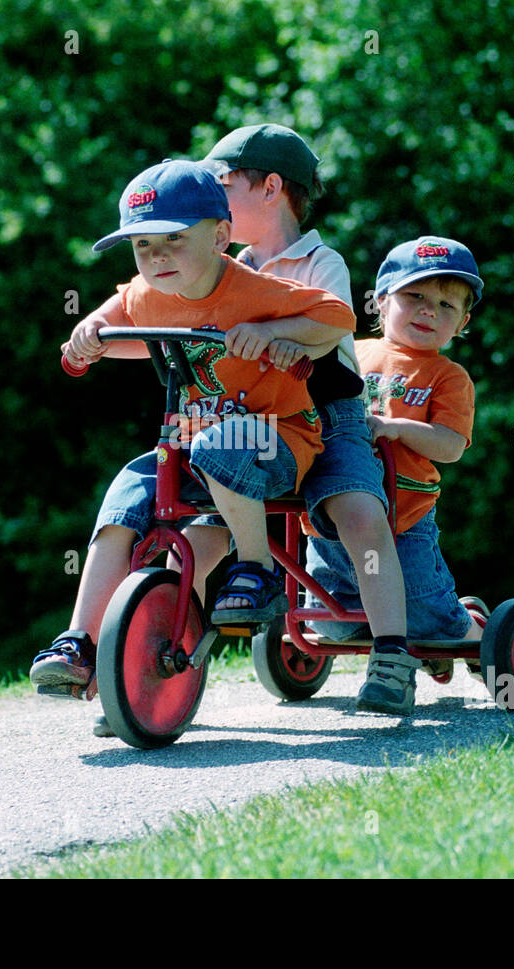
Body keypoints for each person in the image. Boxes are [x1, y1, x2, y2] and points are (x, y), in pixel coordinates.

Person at [29, 158, 355, 701]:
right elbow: (116, 314)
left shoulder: (256, 290)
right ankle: (84, 644)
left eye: (174, 239)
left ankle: (257, 570)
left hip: (277, 438)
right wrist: (90, 332)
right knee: (126, 496)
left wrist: (271, 332)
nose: (156, 257)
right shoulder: (149, 292)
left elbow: (339, 318)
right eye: (142, 245)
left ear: (221, 237)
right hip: (192, 443)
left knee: (215, 445)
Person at [187, 123, 412, 702]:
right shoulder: (222, 266)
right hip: (254, 419)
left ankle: (392, 654)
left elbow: (329, 322)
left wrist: (283, 338)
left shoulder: (319, 261)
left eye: (222, 184)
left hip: (328, 417)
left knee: (360, 514)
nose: (211, 199)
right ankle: (158, 657)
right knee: (197, 533)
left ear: (270, 188)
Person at [304, 236, 485, 715]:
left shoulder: (447, 376)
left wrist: (396, 428)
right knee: (331, 621)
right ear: (381, 301)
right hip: (335, 512)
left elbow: (450, 446)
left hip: (405, 518)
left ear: (462, 323)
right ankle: (401, 634)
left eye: (446, 305)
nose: (428, 311)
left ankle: (470, 628)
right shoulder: (349, 353)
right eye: (415, 296)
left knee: (427, 616)